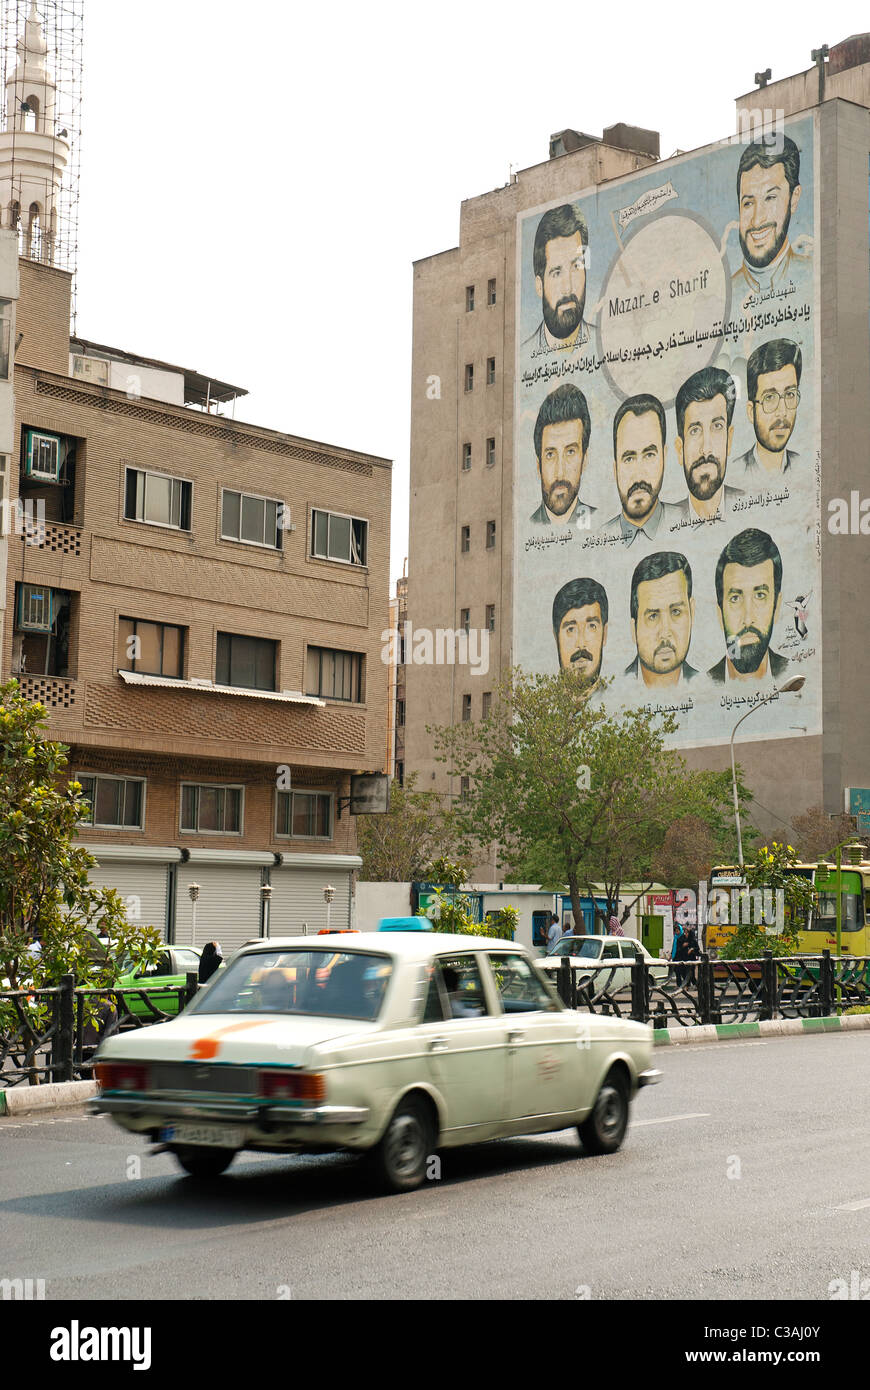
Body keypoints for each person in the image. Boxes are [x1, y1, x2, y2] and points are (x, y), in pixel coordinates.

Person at [732, 135, 810, 300]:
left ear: (793, 199)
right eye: (748, 203)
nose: (757, 220)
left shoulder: (814, 275)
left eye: (770, 198)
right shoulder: (723, 296)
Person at [708, 528, 789, 683]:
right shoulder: (703, 683)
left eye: (760, 596)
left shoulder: (794, 673)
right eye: (735, 598)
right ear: (720, 613)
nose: (747, 618)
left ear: (776, 607)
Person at [601, 394, 683, 545]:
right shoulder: (601, 537)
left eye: (649, 455)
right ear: (615, 469)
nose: (638, 476)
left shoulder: (686, 520)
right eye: (629, 459)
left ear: (664, 457)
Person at [672, 367, 744, 523]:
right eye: (695, 430)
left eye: (717, 426)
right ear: (679, 449)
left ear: (729, 440)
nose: (706, 449)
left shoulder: (749, 505)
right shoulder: (668, 521)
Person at [624, 551, 698, 687]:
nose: (665, 632)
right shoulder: (618, 687)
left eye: (676, 612)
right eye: (653, 616)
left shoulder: (705, 683)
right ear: (633, 629)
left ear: (692, 614)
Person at [525, 202, 591, 353]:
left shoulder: (606, 342)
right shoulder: (523, 353)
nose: (567, 288)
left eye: (576, 267)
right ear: (539, 286)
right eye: (556, 273)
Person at [529, 384, 597, 529]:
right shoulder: (526, 526)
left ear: (584, 459)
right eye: (550, 455)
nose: (560, 473)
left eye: (570, 452)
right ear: (538, 465)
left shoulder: (598, 520)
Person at [735, 340, 802, 481]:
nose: (782, 411)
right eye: (770, 397)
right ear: (751, 411)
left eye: (790, 394)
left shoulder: (805, 466)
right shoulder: (735, 474)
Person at [552, 577, 608, 687]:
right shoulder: (538, 703)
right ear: (556, 637)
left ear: (604, 635)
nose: (581, 644)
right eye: (571, 629)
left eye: (591, 626)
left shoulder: (620, 703)